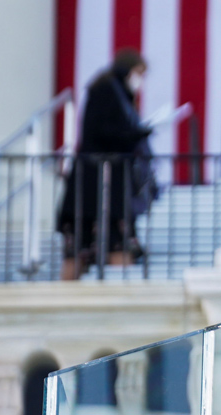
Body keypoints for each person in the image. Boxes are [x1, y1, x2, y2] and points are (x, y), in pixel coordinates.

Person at [57, 49, 156, 279]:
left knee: (86, 246)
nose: (140, 80)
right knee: (110, 244)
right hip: (100, 181)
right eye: (139, 73)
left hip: (97, 182)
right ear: (128, 69)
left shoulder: (113, 90)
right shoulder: (108, 90)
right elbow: (105, 132)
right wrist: (136, 133)